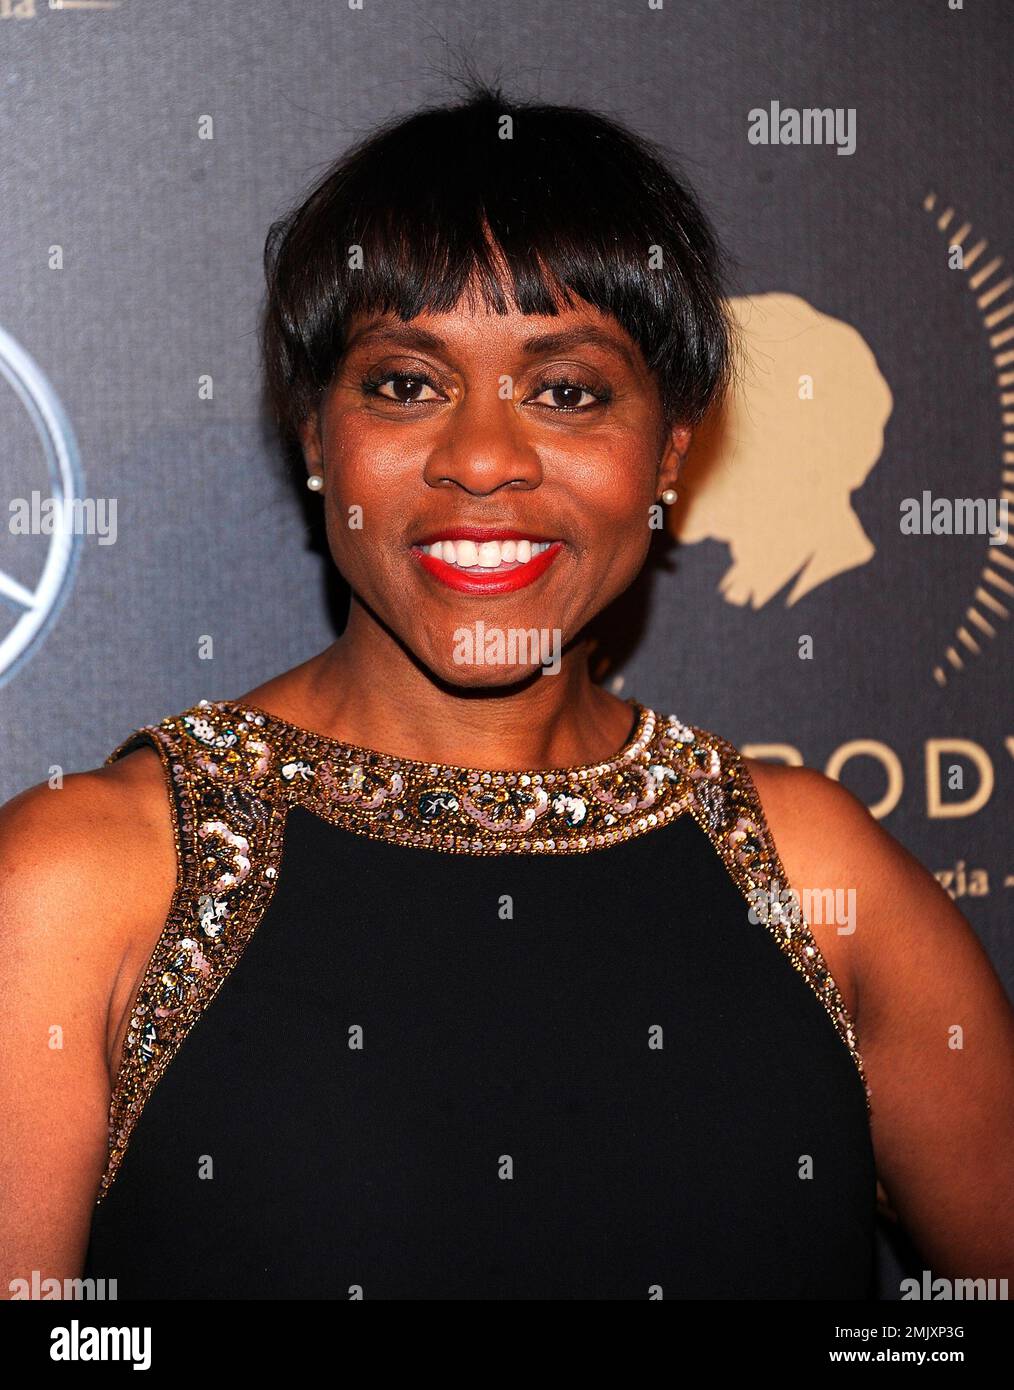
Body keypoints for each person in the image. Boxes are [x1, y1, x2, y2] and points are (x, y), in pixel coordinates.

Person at [1, 82, 1012, 1302]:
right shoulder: (83, 882)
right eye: (405, 384)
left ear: (669, 455)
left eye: (569, 391)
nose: (482, 457)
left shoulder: (816, 876)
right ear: (317, 439)